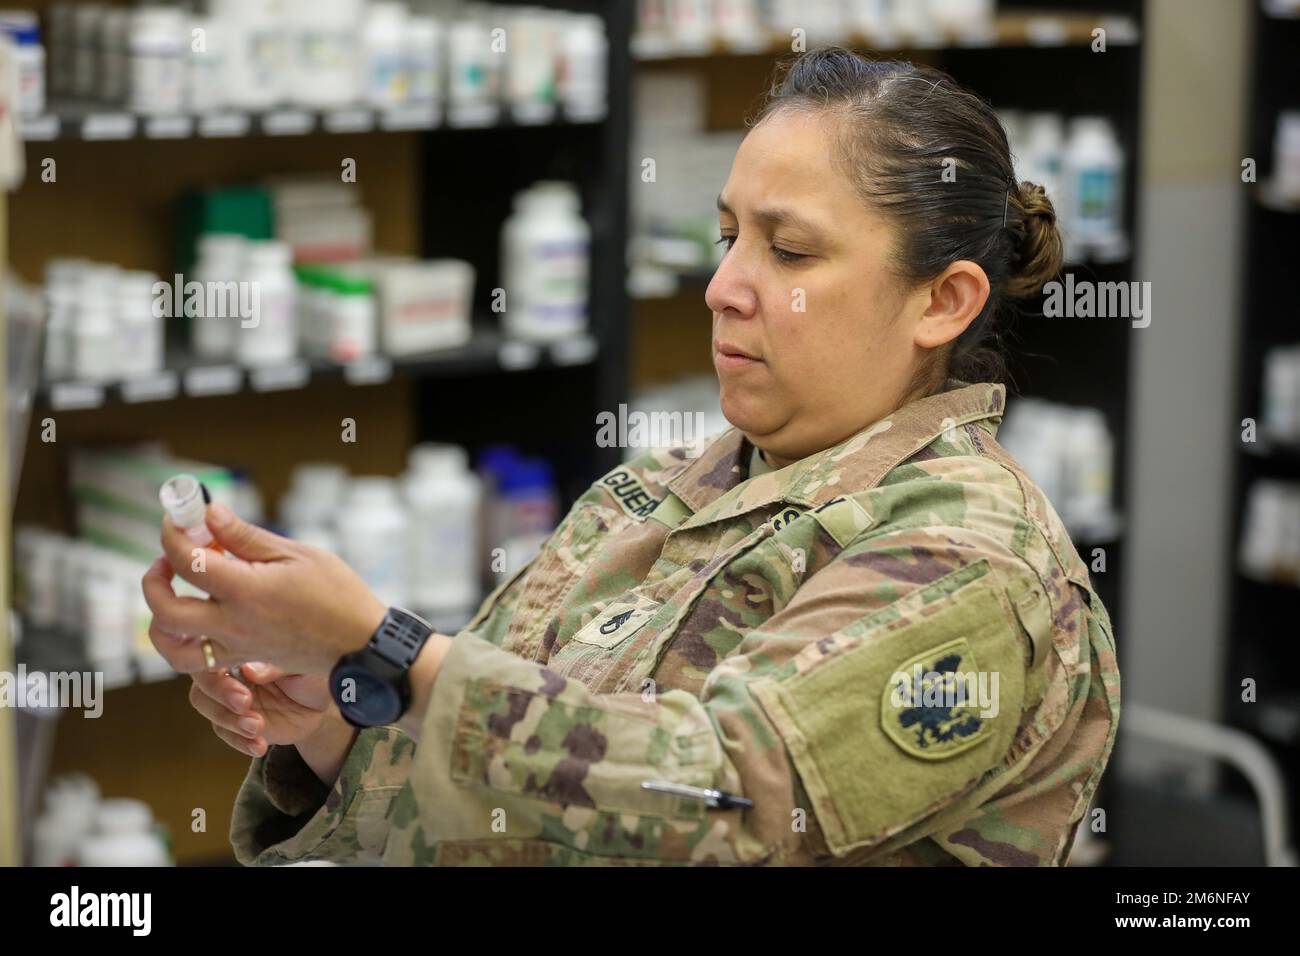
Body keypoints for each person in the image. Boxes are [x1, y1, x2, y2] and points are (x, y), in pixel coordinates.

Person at [144, 49, 1120, 866]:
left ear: (941, 301)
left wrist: (389, 645)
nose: (721, 287)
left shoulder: (969, 562)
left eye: (788, 252)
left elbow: (717, 800)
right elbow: (501, 798)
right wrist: (332, 716)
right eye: (729, 235)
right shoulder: (655, 490)